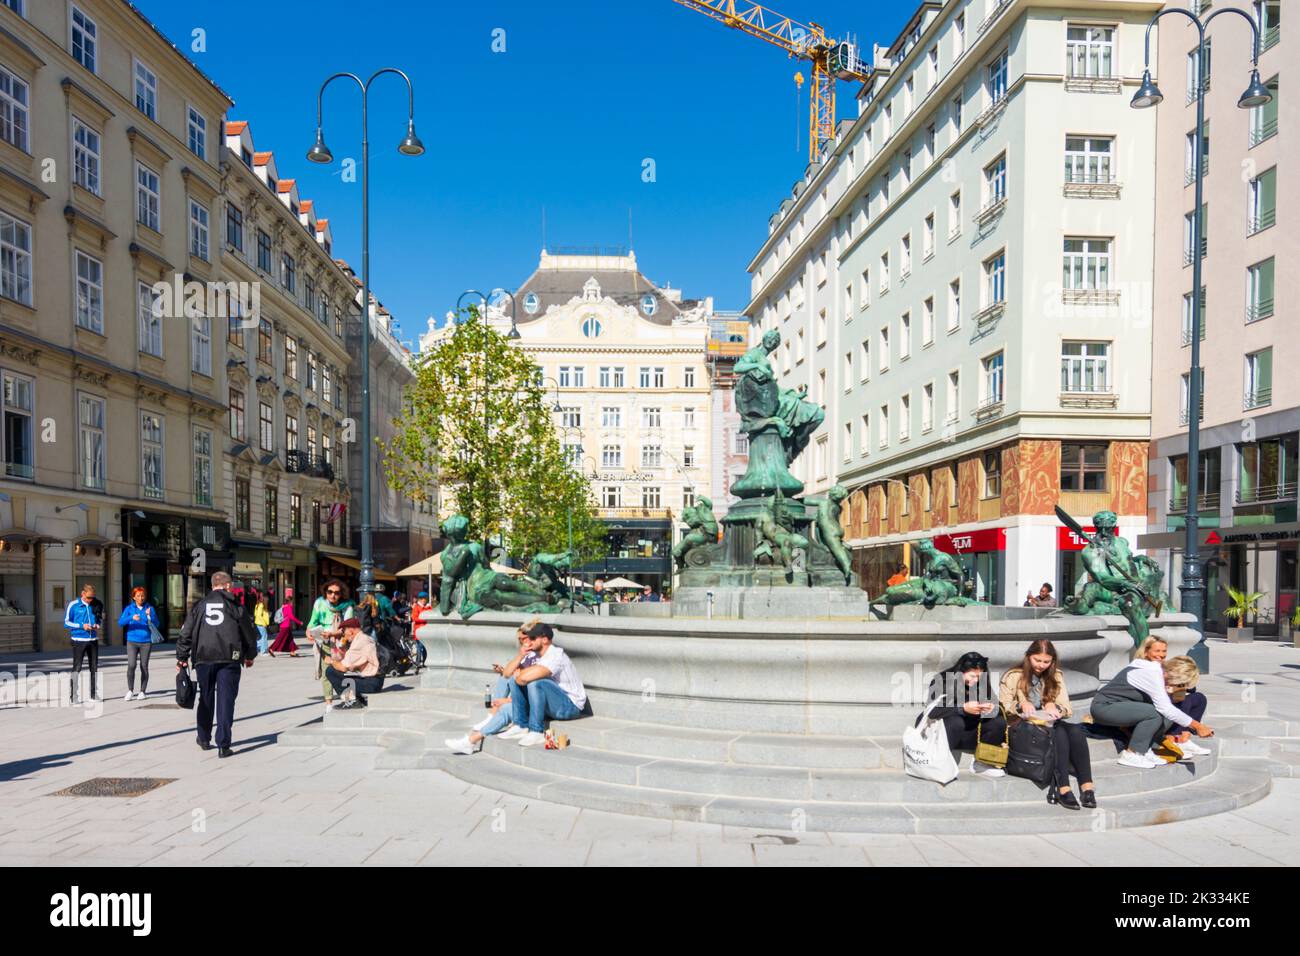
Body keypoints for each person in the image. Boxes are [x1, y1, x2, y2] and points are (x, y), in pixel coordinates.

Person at [999, 639, 1094, 809]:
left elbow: (1067, 708)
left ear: (1052, 661)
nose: (1041, 665)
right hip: (1022, 726)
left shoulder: (1055, 675)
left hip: (1048, 723)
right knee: (1060, 733)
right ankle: (1063, 787)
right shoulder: (1013, 675)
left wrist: (1054, 705)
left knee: (1076, 731)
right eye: (1037, 660)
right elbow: (1003, 705)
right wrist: (1020, 705)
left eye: (1046, 661)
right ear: (1028, 657)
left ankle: (1087, 786)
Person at [1090, 644, 1214, 769]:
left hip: (1121, 706)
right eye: (1181, 683)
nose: (1179, 686)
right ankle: (1132, 754)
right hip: (1104, 707)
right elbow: (1165, 708)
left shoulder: (1158, 671)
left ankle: (1146, 749)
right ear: (1175, 675)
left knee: (1167, 712)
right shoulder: (1152, 674)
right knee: (1154, 713)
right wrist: (1197, 726)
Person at [176, 571, 258, 758]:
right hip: (229, 658)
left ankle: (204, 738)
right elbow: (248, 632)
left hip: (204, 657)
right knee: (226, 699)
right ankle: (223, 744)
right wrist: (249, 654)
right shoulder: (235, 605)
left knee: (205, 697)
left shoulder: (200, 605)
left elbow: (186, 632)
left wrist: (182, 656)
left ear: (212, 585)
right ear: (228, 585)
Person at [444, 625, 540, 754]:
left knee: (506, 705)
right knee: (505, 677)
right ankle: (474, 736)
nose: (523, 642)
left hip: (533, 704)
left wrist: (506, 700)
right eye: (520, 639)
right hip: (524, 700)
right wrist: (519, 656)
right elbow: (507, 674)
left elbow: (535, 690)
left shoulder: (539, 658)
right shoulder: (528, 655)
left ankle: (472, 739)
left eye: (525, 638)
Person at [917, 651, 1007, 776]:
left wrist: (992, 708)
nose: (976, 680)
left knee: (998, 722)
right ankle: (941, 762)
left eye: (979, 677)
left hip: (971, 733)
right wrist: (962, 708)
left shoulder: (981, 683)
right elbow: (933, 711)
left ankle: (982, 763)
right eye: (972, 676)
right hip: (944, 733)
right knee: (956, 721)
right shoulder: (942, 680)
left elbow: (998, 705)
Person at [499, 621, 587, 747]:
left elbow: (523, 679)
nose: (529, 641)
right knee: (515, 679)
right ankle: (521, 725)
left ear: (545, 640)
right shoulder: (540, 656)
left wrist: (522, 675)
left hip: (570, 707)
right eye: (529, 638)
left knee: (536, 682)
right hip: (554, 704)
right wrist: (520, 672)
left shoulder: (556, 655)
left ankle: (536, 731)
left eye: (533, 638)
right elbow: (509, 675)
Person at [1138, 638, 1213, 757]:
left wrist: (1179, 687)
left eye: (1163, 651)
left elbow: (1191, 688)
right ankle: (1173, 739)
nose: (1161, 655)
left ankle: (1184, 738)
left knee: (1198, 698)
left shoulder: (1166, 667)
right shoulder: (1149, 669)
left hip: (1165, 706)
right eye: (1157, 651)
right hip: (1151, 708)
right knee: (1181, 702)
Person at [307, 579, 356, 713]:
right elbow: (312, 621)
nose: (332, 595)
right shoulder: (319, 603)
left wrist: (333, 633)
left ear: (342, 594)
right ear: (325, 592)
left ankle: (346, 697)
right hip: (323, 643)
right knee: (326, 672)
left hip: (340, 644)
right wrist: (309, 631)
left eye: (336, 593)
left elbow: (347, 629)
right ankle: (328, 703)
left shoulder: (347, 606)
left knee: (339, 671)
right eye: (330, 592)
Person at [323, 617, 384, 708]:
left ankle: (351, 701)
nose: (344, 635)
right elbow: (352, 665)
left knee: (330, 671)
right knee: (344, 672)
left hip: (371, 683)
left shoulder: (359, 643)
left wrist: (331, 661)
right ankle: (358, 699)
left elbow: (343, 667)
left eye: (344, 631)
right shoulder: (365, 637)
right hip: (375, 680)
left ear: (350, 630)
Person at [118, 587, 160, 700]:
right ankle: (130, 690)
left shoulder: (149, 608)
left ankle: (142, 691)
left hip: (146, 642)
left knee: (144, 666)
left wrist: (149, 616)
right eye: (138, 596)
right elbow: (120, 622)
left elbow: (157, 623)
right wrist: (131, 617)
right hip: (132, 641)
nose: (141, 598)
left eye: (142, 596)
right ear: (133, 597)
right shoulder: (129, 608)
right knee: (131, 665)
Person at [64, 583, 103, 704]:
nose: (90, 600)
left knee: (94, 667)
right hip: (78, 640)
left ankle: (93, 694)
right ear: (83, 594)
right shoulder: (74, 605)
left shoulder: (96, 604)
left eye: (92, 597)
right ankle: (73, 696)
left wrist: (97, 625)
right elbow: (66, 623)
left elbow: (99, 618)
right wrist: (82, 626)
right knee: (77, 667)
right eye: (88, 597)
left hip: (93, 640)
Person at [269, 592, 302, 657]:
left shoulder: (283, 607)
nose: (293, 603)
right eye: (292, 601)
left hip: (284, 625)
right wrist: (299, 622)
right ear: (290, 601)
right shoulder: (289, 607)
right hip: (285, 626)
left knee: (290, 639)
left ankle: (292, 652)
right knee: (279, 639)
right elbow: (291, 617)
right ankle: (271, 649)